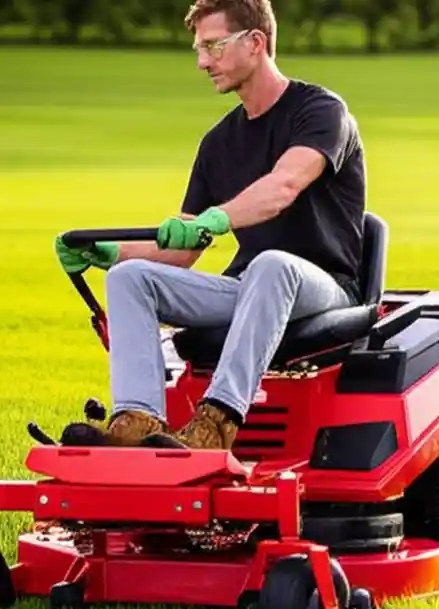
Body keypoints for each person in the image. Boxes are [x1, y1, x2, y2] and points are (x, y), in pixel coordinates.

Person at [53, 0, 366, 451]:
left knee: (273, 264)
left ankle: (216, 422)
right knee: (131, 280)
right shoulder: (218, 142)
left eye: (214, 47)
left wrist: (215, 219)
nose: (202, 62)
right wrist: (110, 252)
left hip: (325, 291)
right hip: (251, 288)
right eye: (199, 49)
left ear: (256, 43)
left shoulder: (320, 111)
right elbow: (180, 252)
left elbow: (283, 185)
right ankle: (137, 420)